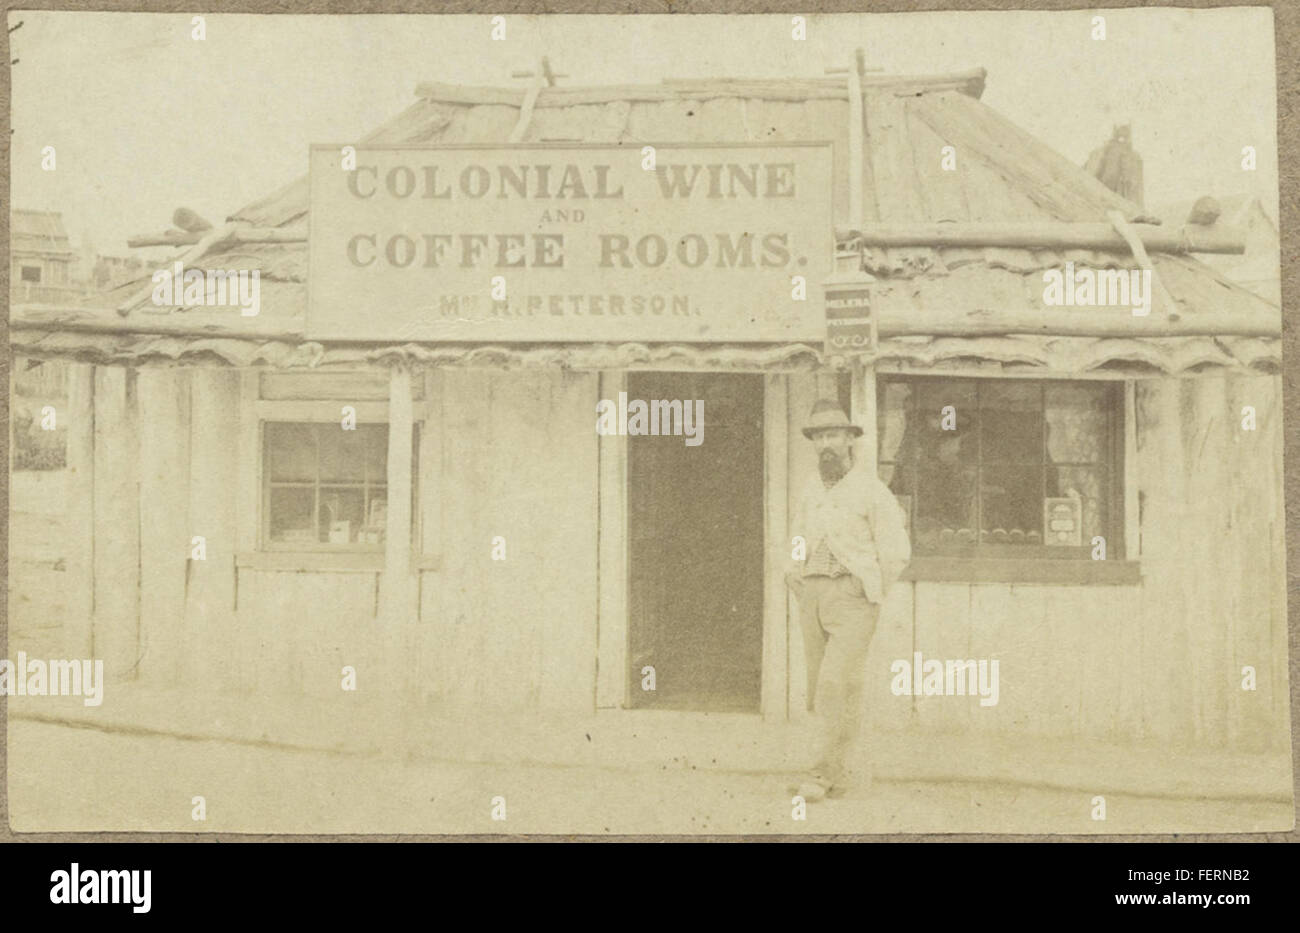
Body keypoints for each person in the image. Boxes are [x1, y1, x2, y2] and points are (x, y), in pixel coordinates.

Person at [784, 398, 911, 802]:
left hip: (852, 598)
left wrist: (867, 586)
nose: (827, 444)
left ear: (850, 441)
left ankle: (819, 775)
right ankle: (835, 772)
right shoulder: (810, 489)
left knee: (834, 684)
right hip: (812, 593)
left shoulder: (871, 491)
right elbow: (800, 532)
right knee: (826, 687)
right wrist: (793, 569)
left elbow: (895, 551)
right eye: (820, 436)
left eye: (834, 435)